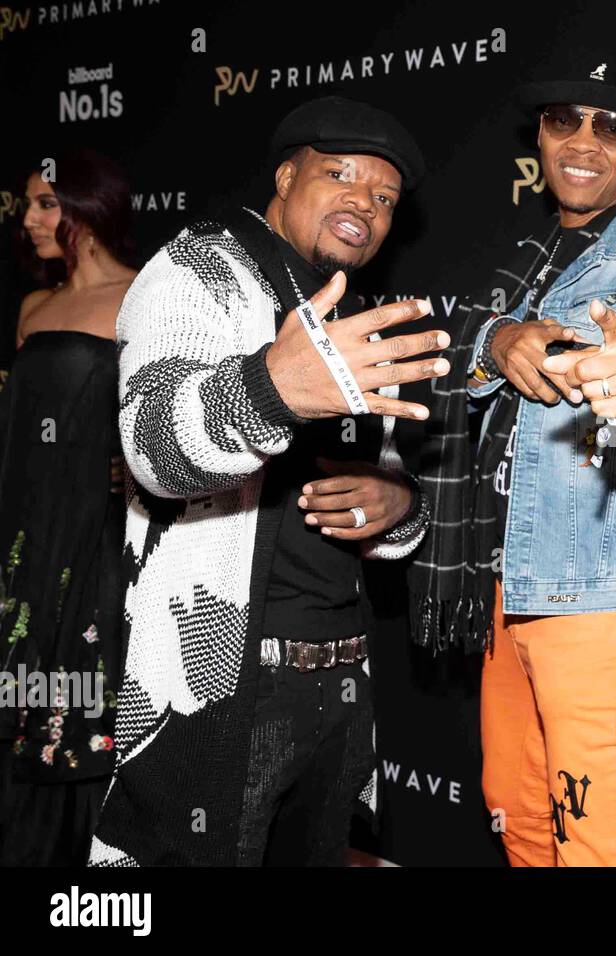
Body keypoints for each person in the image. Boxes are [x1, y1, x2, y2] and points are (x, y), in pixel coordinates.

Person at [406, 59, 616, 866]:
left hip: (600, 598)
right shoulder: (525, 254)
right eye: (565, 119)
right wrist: (495, 341)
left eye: (614, 126)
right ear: (539, 135)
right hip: (505, 584)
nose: (585, 141)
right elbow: (455, 368)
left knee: (596, 848)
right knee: (523, 826)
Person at [89, 96, 450, 866]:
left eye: (386, 198)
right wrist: (270, 390)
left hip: (339, 680)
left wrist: (399, 510)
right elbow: (151, 445)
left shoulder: (353, 315)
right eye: (342, 176)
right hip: (221, 683)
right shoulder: (202, 270)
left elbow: (398, 505)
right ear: (286, 176)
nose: (366, 203)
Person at [0, 150, 135, 865]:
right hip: (21, 536)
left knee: (77, 708)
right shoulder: (31, 308)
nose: (29, 219)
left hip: (94, 539)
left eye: (46, 202)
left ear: (91, 207)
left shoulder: (147, 298)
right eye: (28, 204)